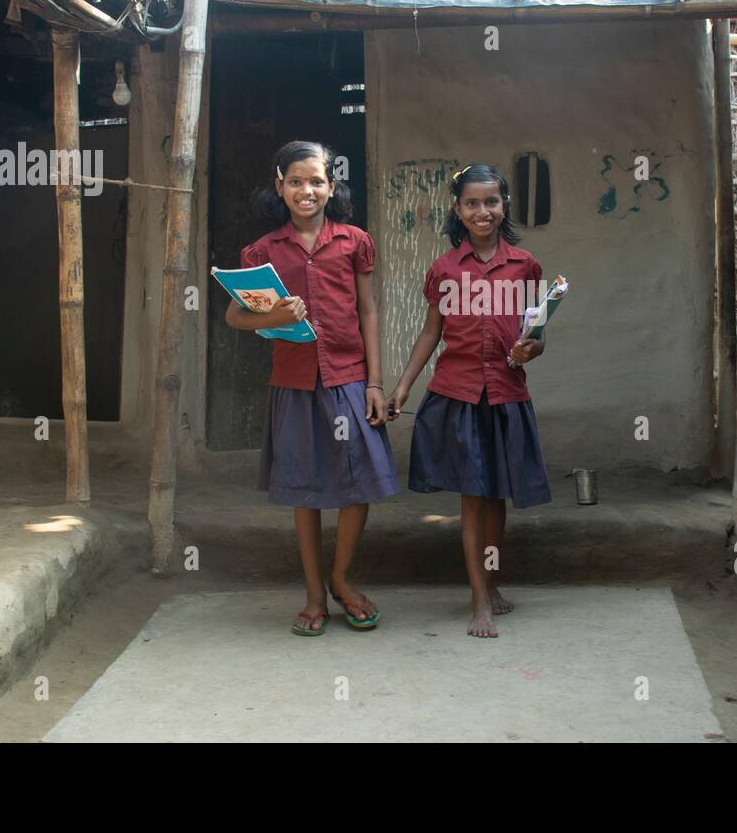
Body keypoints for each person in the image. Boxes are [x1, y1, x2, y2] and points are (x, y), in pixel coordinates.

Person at [229, 140, 398, 636]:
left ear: (331, 186)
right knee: (304, 490)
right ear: (279, 186)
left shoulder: (353, 241)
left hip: (349, 378)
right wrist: (277, 314)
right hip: (294, 382)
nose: (307, 190)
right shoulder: (263, 252)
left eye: (317, 181)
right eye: (296, 181)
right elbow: (236, 315)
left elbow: (368, 310)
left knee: (357, 481)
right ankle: (312, 595)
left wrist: (376, 382)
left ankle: (341, 579)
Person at [387, 164, 551, 639]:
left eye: (492, 202)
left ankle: (492, 583)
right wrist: (402, 386)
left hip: (506, 393)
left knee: (497, 497)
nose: (483, 211)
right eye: (472, 203)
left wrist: (530, 348)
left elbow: (537, 337)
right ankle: (478, 598)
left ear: (504, 207)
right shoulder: (443, 270)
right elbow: (431, 332)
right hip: (458, 395)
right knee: (473, 499)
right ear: (457, 210)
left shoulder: (526, 267)